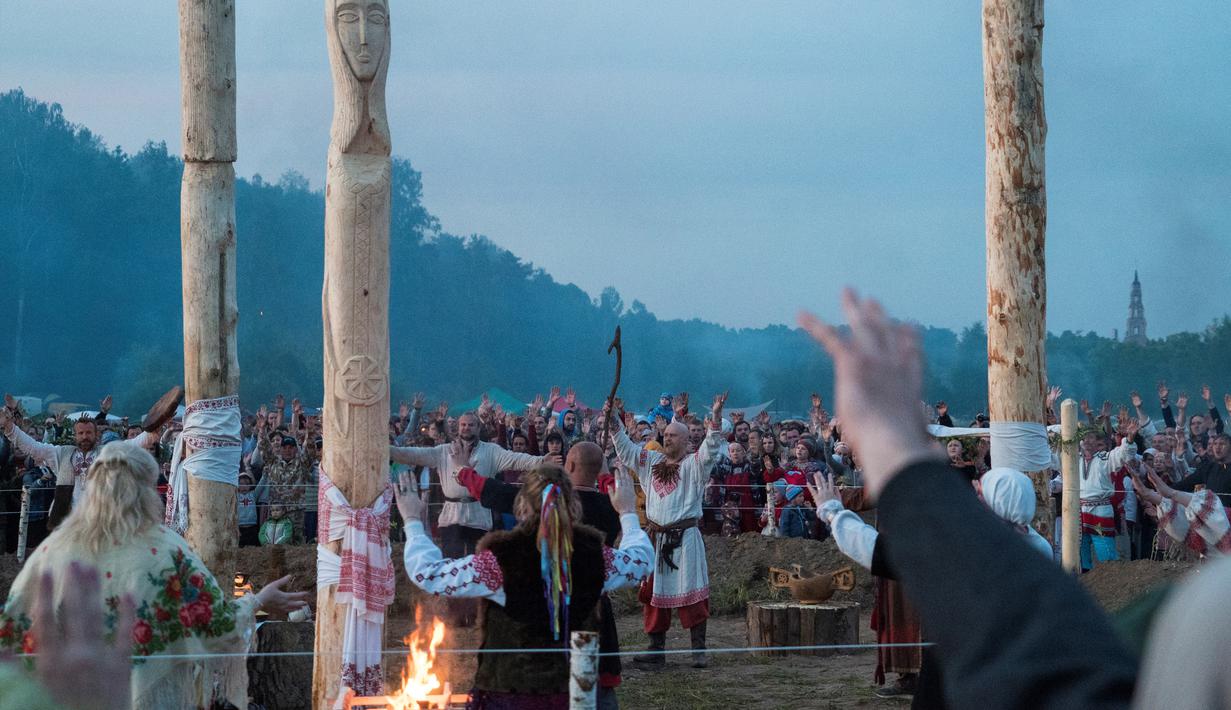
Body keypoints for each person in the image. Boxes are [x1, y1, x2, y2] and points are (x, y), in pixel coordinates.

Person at [797, 289, 1135, 708]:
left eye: (984, 488)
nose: (975, 488)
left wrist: (832, 510)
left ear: (989, 503)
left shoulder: (976, 559)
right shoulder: (1039, 552)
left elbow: (873, 548)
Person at [0, 441, 307, 708]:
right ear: (146, 491)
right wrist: (258, 601)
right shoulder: (166, 551)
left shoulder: (51, 552)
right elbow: (217, 626)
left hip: (67, 698)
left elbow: (13, 635)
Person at [397, 464, 652, 708]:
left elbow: (430, 574)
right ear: (574, 506)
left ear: (521, 505)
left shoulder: (499, 559)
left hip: (513, 692)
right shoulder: (595, 555)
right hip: (576, 689)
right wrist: (627, 511)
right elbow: (641, 561)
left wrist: (412, 521)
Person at [457, 442, 628, 707]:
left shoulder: (548, 505)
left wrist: (462, 471)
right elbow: (618, 498)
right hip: (591, 604)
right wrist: (604, 475)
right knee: (592, 683)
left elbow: (497, 493)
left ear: (569, 466)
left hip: (545, 603)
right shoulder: (612, 508)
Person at [609, 392, 727, 668]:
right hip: (656, 538)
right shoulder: (650, 462)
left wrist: (717, 417)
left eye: (674, 435)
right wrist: (612, 419)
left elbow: (711, 447)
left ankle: (698, 650)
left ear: (686, 441)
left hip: (686, 538)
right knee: (652, 594)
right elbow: (625, 449)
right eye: (667, 435)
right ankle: (655, 649)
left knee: (694, 594)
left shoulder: (695, 465)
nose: (668, 438)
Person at [0, 395, 133, 527]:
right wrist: (9, 428)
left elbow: (134, 445)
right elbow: (32, 447)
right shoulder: (61, 453)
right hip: (68, 523)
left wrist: (153, 432)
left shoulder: (107, 453)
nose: (84, 436)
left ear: (96, 435)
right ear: (74, 436)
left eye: (88, 433)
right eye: (80, 433)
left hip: (102, 522)